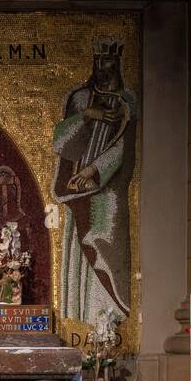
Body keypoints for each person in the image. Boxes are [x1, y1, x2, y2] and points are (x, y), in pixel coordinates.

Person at [52, 37, 138, 324]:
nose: (104, 67)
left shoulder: (127, 101)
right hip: (78, 187)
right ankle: (84, 314)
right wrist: (87, 115)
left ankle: (111, 314)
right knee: (80, 243)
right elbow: (62, 142)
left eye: (110, 61)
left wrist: (93, 171)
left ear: (118, 64)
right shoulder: (79, 98)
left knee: (105, 242)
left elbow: (124, 146)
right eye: (100, 61)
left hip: (108, 185)